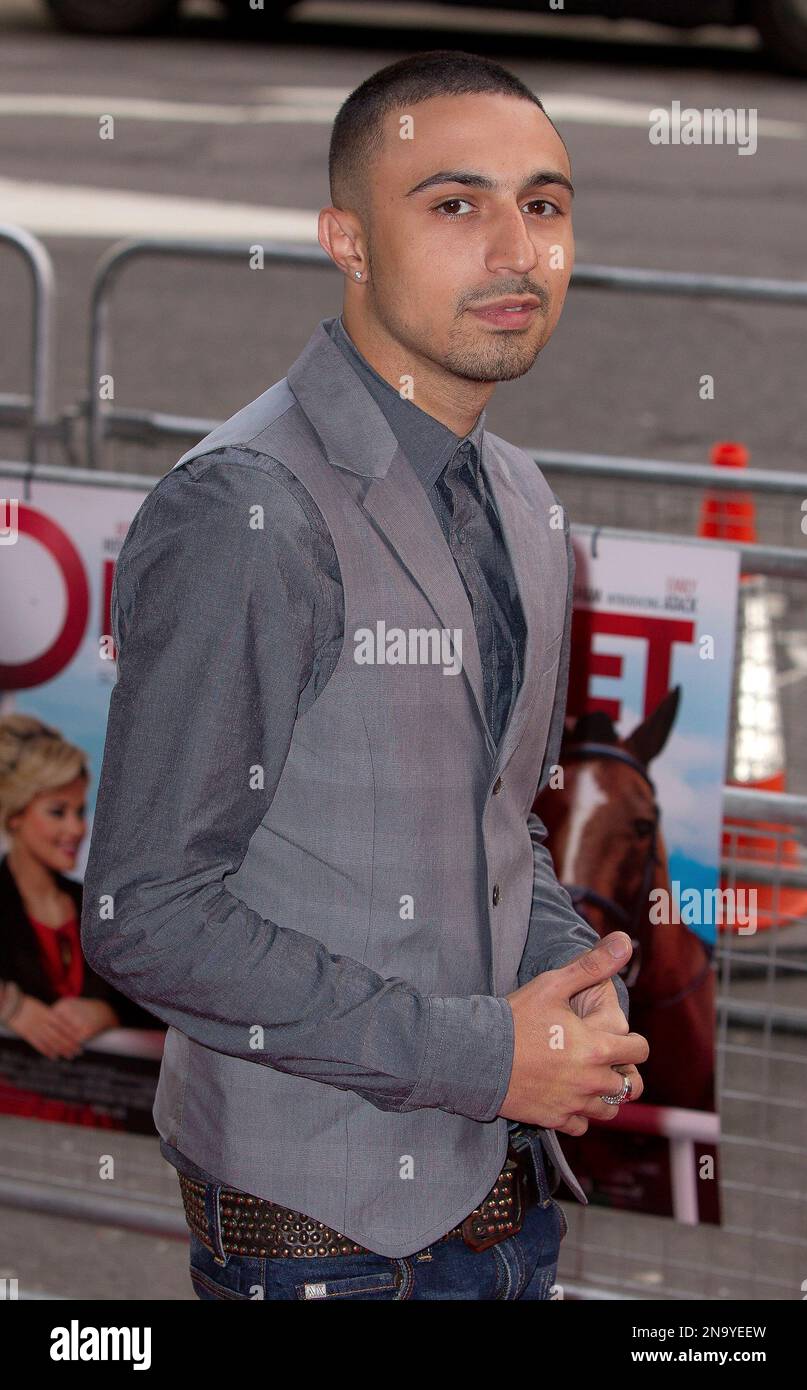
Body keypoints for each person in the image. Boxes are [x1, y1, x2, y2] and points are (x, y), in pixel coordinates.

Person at [81, 49, 649, 1301]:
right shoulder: (251, 511)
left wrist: (581, 983)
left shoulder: (520, 496)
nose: (514, 250)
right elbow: (145, 909)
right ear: (346, 237)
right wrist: (481, 1054)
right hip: (326, 1254)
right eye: (455, 206)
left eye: (543, 206)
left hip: (511, 1212)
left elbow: (497, 826)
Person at [0, 714, 153, 1123]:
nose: (76, 828)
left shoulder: (97, 905)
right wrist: (10, 1006)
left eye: (79, 810)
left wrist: (107, 1014)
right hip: (15, 1128)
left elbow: (156, 995)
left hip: (102, 1127)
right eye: (57, 811)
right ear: (15, 814)